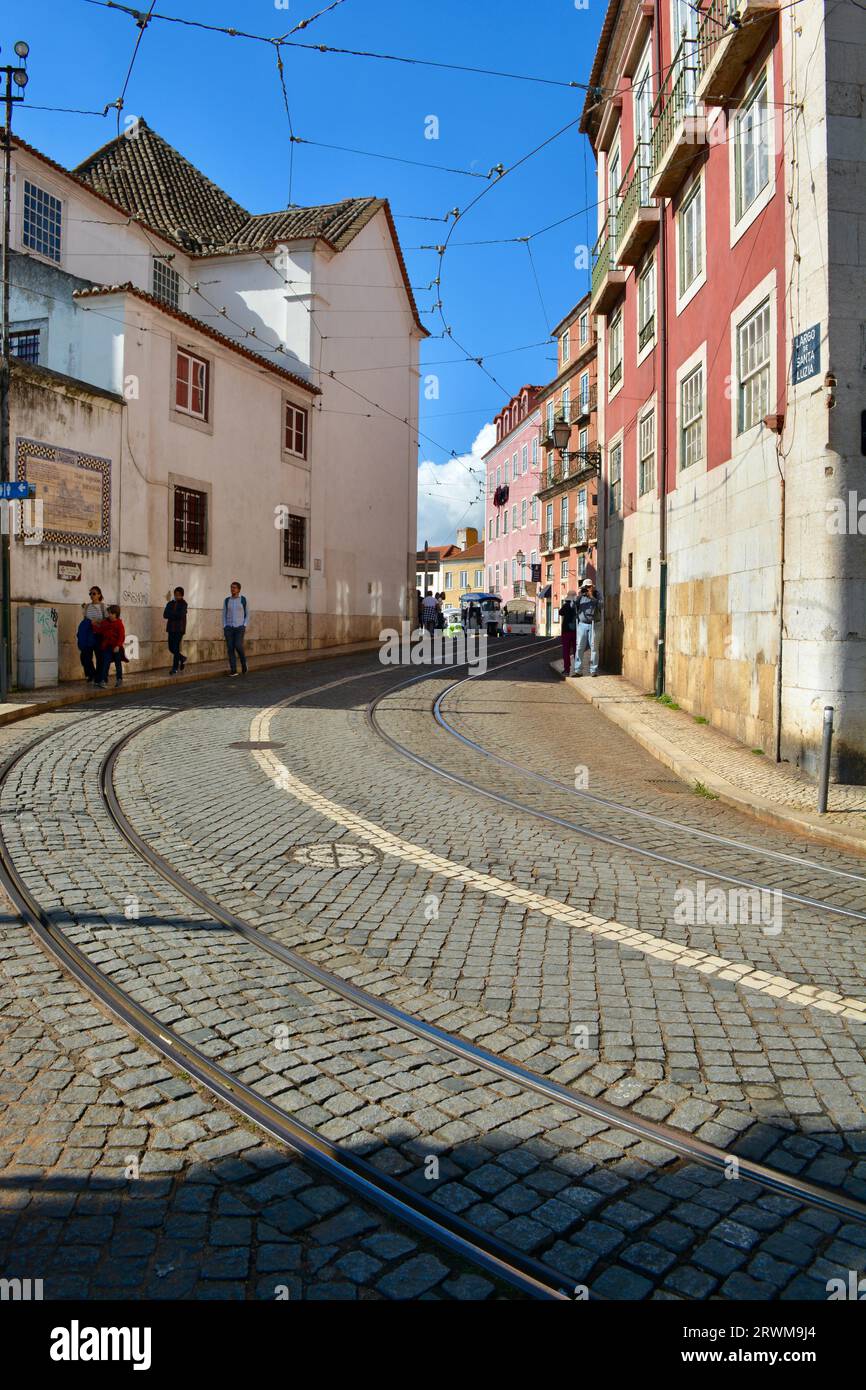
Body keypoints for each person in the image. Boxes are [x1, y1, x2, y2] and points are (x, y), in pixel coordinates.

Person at [77, 585, 106, 683]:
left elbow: (106, 621)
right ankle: (91, 674)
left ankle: (99, 677)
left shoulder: (103, 607)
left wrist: (96, 622)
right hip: (88, 634)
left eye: (94, 593)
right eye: (90, 594)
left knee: (99, 657)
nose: (92, 595)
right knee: (85, 656)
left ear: (99, 595)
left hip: (98, 635)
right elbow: (85, 619)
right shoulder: (87, 606)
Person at [575, 577, 603, 677]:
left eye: (588, 587)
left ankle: (593, 670)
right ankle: (578, 670)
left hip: (594, 624)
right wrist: (578, 597)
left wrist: (591, 596)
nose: (586, 589)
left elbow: (601, 606)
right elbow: (573, 607)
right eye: (585, 587)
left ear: (591, 587)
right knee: (579, 647)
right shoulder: (581, 596)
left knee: (594, 648)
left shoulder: (597, 594)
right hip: (582, 624)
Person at [95, 605, 126, 688]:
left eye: (111, 614)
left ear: (115, 614)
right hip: (107, 646)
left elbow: (121, 636)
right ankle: (103, 680)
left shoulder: (119, 624)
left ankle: (119, 679)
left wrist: (118, 646)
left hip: (116, 647)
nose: (109, 615)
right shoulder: (105, 622)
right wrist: (94, 625)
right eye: (108, 613)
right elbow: (100, 630)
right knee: (106, 663)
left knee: (117, 664)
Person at [223, 581, 249, 676]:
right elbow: (224, 614)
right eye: (231, 587)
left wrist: (244, 624)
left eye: (234, 587)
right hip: (229, 628)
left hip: (239, 628)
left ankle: (243, 662)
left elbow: (247, 614)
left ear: (238, 589)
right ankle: (233, 670)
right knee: (230, 649)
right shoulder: (227, 600)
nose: (232, 589)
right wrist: (225, 626)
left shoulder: (243, 600)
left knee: (238, 645)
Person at [164, 587, 188, 675]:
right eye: (175, 594)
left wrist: (172, 614)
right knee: (171, 648)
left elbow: (181, 615)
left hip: (179, 629)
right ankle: (182, 658)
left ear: (182, 595)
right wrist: (174, 614)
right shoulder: (170, 603)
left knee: (176, 648)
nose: (177, 596)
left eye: (179, 595)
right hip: (171, 628)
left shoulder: (184, 604)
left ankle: (174, 668)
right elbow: (165, 614)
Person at [559, 590, 578, 678]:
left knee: (566, 651)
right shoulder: (577, 606)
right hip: (576, 631)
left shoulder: (566, 605)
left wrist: (566, 604)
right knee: (576, 651)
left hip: (566, 631)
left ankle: (567, 670)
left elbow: (560, 612)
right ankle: (577, 669)